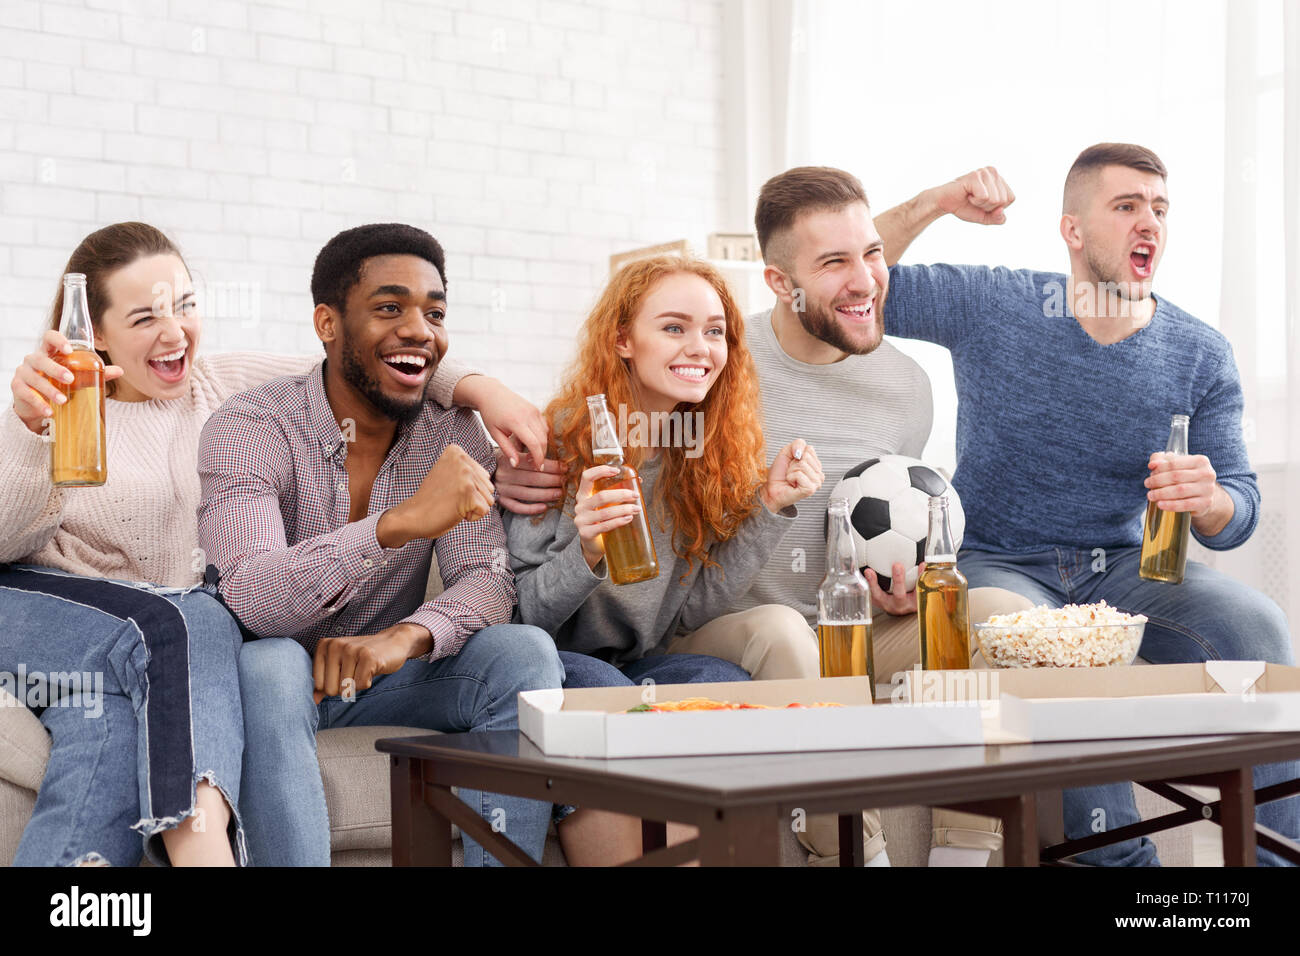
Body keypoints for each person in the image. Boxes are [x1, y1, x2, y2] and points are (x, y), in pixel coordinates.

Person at [497, 169, 1032, 867]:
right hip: (735, 631)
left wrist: (908, 575)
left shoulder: (902, 386)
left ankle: (968, 852)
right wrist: (518, 464)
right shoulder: (717, 370)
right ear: (781, 284)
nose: (865, 279)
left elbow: (897, 509)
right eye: (833, 262)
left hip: (849, 624)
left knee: (993, 610)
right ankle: (847, 846)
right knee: (780, 632)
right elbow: (605, 450)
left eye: (871, 254)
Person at [874, 142, 1298, 866]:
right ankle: (1121, 869)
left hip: (1129, 573)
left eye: (1160, 209)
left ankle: (1279, 859)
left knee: (1255, 621)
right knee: (1042, 641)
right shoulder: (996, 303)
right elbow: (857, 282)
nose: (1150, 224)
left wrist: (1214, 502)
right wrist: (935, 203)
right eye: (1126, 206)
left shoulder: (1199, 352)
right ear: (1073, 229)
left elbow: (1241, 508)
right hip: (1001, 563)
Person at [198, 223, 565, 867]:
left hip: (382, 676)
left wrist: (406, 638)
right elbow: (255, 599)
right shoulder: (249, 425)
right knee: (272, 662)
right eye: (389, 308)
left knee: (524, 652)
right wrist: (398, 523)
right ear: (327, 323)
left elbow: (488, 580)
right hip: (278, 678)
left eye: (435, 312)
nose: (420, 328)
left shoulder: (449, 433)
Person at [507, 256, 825, 864]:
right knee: (606, 691)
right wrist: (588, 552)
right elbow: (521, 621)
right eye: (674, 327)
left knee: (723, 686)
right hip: (556, 663)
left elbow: (686, 612)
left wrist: (768, 506)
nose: (700, 347)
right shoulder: (555, 447)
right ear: (623, 340)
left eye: (715, 331)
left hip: (641, 662)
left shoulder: (704, 455)